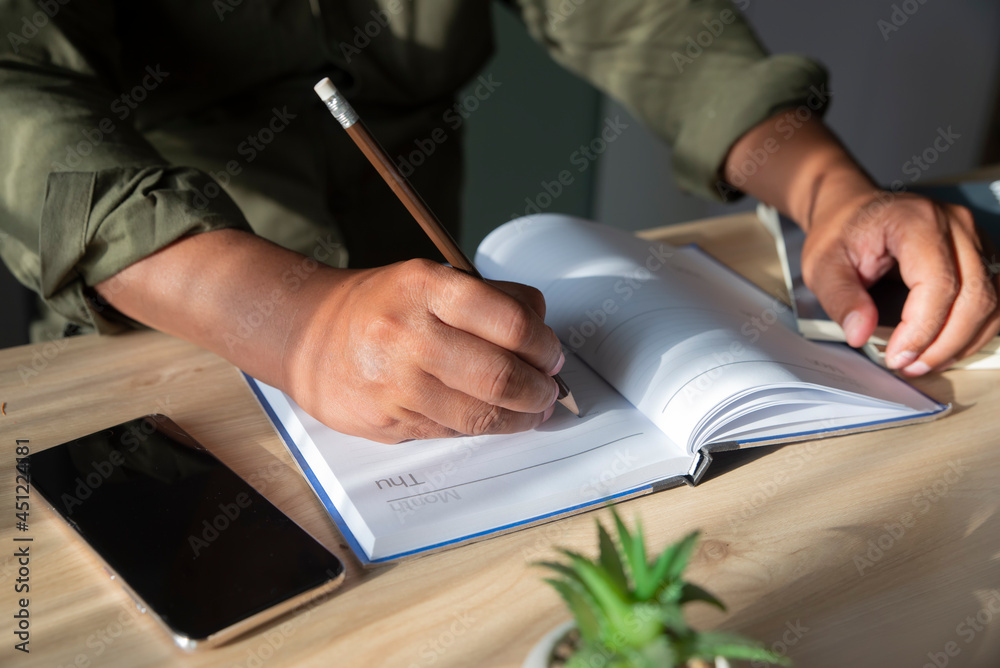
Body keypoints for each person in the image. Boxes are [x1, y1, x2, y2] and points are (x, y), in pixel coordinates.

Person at [1, 0, 996, 443]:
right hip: (155, 355)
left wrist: (830, 191)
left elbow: (641, 18)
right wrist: (298, 329)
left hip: (448, 362)